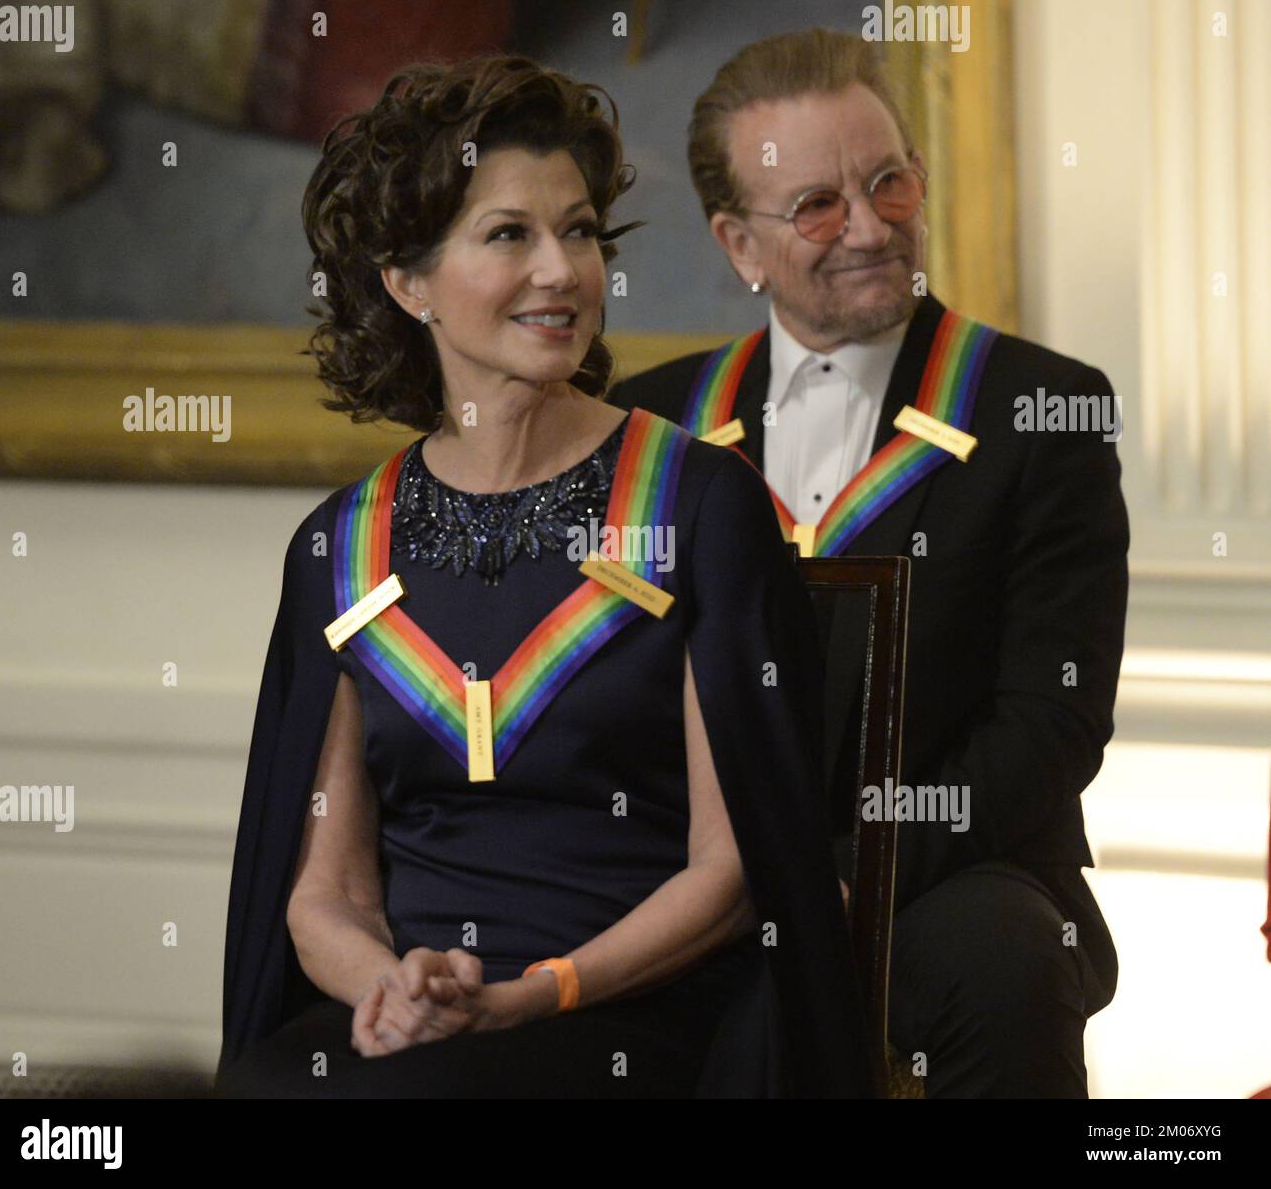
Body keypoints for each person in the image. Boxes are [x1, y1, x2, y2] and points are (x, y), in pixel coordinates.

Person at [213, 53, 872, 1099]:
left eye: (578, 231)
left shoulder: (698, 506)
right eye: (509, 235)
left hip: (636, 1015)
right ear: (406, 279)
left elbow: (732, 870)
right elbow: (324, 896)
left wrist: (534, 994)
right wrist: (397, 991)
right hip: (422, 1016)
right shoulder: (341, 549)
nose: (562, 272)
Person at [609, 28, 1129, 1098]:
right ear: (737, 243)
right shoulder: (649, 429)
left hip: (946, 877)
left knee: (1004, 965)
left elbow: (1049, 724)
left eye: (887, 183)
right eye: (815, 206)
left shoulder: (1045, 409)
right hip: (704, 873)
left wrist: (848, 875)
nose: (868, 228)